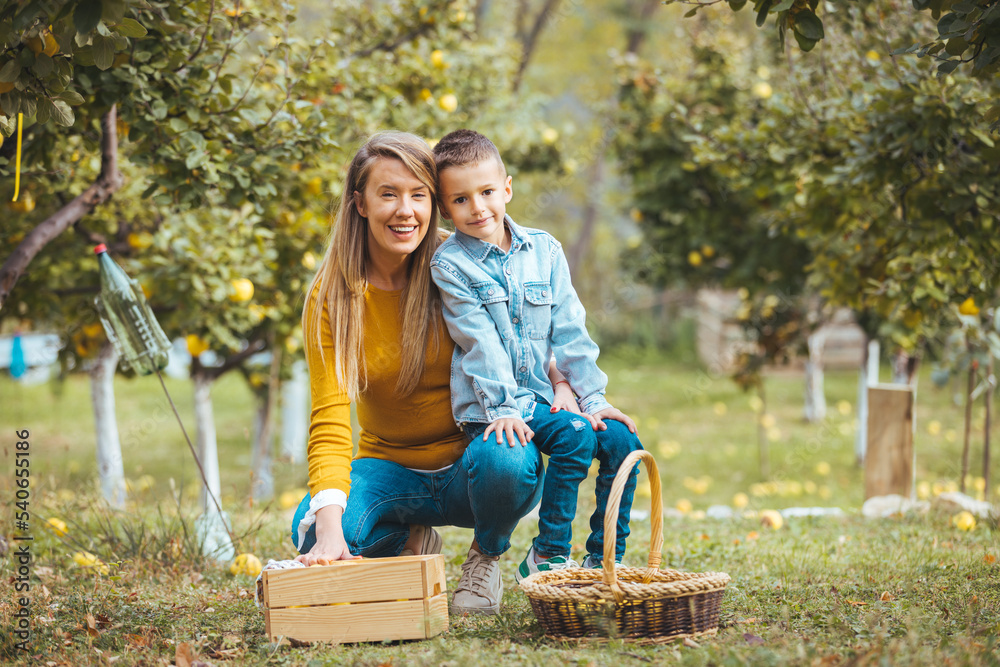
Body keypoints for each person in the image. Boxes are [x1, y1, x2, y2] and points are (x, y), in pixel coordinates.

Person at [289, 131, 570, 616]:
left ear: (434, 203)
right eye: (388, 194)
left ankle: (486, 554)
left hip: (474, 460)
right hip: (389, 470)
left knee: (508, 457)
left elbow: (523, 344)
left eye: (418, 195)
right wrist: (330, 534)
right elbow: (330, 421)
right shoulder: (332, 297)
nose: (406, 211)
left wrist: (564, 385)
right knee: (317, 527)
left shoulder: (461, 265)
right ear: (359, 203)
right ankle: (409, 542)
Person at [428, 129, 644, 584]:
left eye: (487, 192)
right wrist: (504, 409)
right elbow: (479, 343)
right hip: (495, 405)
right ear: (445, 208)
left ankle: (606, 559)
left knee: (623, 442)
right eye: (461, 200)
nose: (478, 208)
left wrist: (593, 399)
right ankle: (548, 552)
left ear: (506, 187)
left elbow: (570, 331)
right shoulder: (450, 265)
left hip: (544, 398)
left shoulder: (545, 250)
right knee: (573, 437)